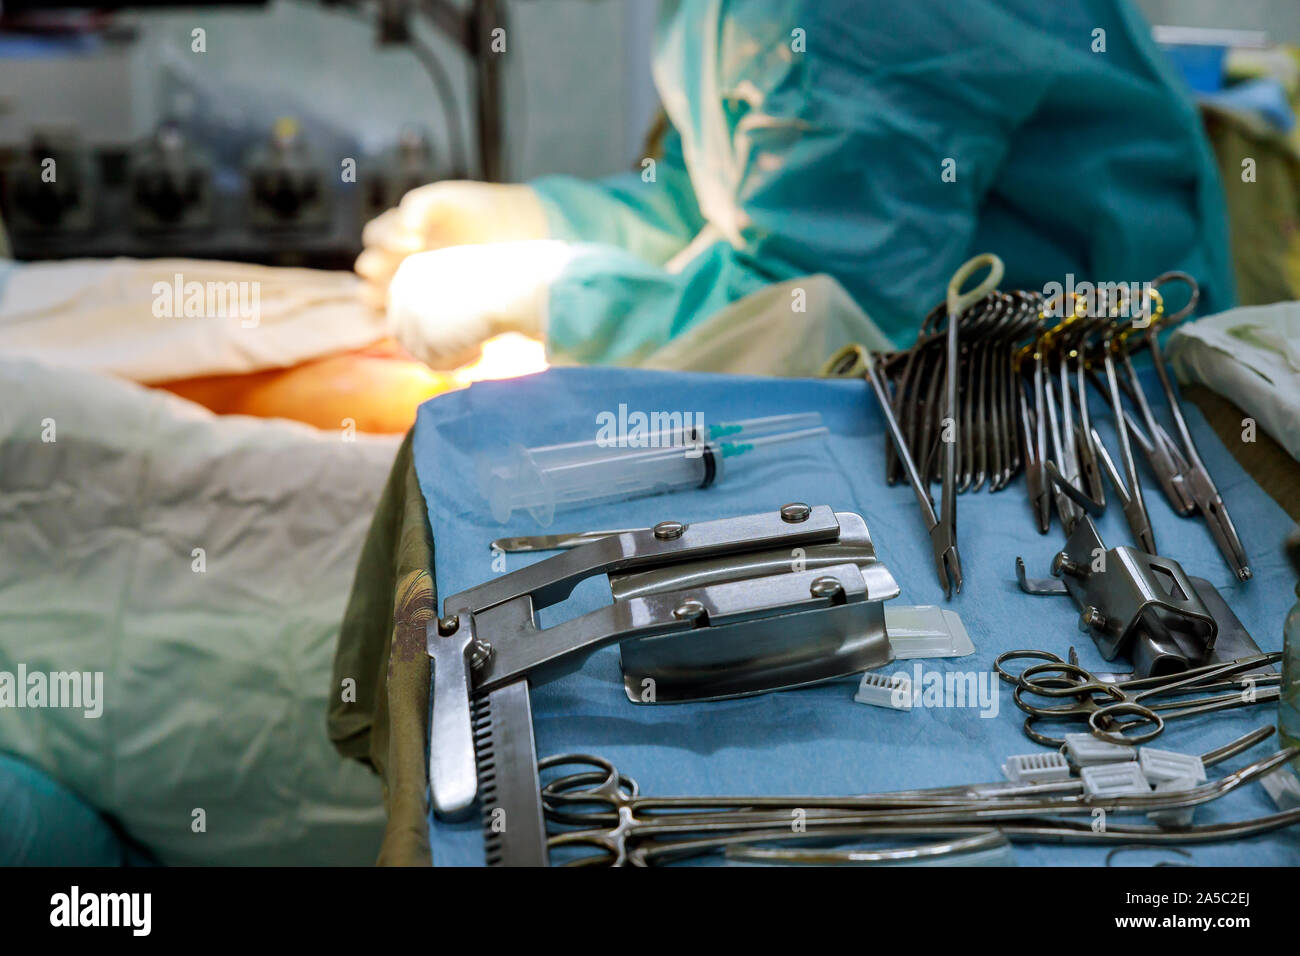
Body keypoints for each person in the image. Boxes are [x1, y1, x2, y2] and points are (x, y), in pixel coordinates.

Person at [358, 0, 1235, 371]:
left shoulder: (869, 18)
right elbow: (748, 203)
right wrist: (539, 219)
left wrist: (560, 297)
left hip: (1081, 409)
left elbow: (814, 316)